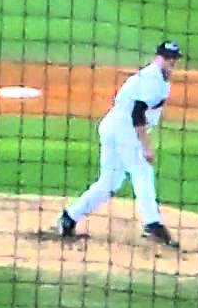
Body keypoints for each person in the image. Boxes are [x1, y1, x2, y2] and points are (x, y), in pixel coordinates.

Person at [56, 41, 183, 248]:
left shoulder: (155, 77)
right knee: (142, 171)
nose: (172, 62)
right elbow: (138, 113)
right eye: (168, 57)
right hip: (126, 130)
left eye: (174, 58)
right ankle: (153, 223)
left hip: (112, 126)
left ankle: (69, 217)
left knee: (110, 182)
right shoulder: (153, 80)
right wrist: (146, 146)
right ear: (158, 57)